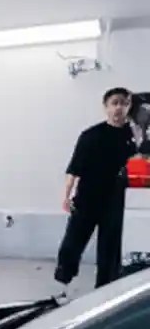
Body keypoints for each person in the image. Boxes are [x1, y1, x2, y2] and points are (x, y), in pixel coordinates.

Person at [55, 87, 139, 289]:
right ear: (106, 107)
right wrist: (66, 195)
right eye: (115, 103)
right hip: (88, 196)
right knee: (73, 241)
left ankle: (104, 286)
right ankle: (64, 275)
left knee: (109, 247)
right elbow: (74, 168)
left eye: (124, 103)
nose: (119, 108)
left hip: (116, 199)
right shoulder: (91, 135)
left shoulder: (135, 138)